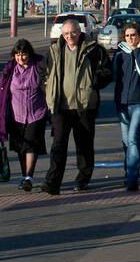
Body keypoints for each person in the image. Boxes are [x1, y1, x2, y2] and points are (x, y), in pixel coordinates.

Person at [39, 17, 112, 195]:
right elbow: (43, 73)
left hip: (84, 106)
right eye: (65, 33)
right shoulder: (54, 50)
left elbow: (107, 71)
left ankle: (83, 179)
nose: (69, 36)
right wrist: (47, 87)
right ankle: (52, 182)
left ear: (79, 32)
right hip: (60, 107)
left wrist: (94, 82)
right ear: (61, 35)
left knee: (84, 145)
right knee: (58, 146)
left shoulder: (94, 50)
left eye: (72, 33)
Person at [0, 39, 48, 190]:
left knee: (31, 145)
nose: (20, 57)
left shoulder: (38, 66)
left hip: (36, 113)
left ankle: (29, 176)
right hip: (16, 115)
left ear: (29, 54)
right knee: (20, 148)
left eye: (23, 54)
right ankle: (25, 176)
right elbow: (1, 94)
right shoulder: (10, 69)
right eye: (17, 54)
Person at [113, 19, 140, 192]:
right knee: (126, 141)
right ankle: (128, 173)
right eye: (127, 36)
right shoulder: (120, 53)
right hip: (122, 102)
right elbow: (115, 76)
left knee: (133, 138)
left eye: (133, 36)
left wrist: (138, 51)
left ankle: (132, 178)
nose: (130, 39)